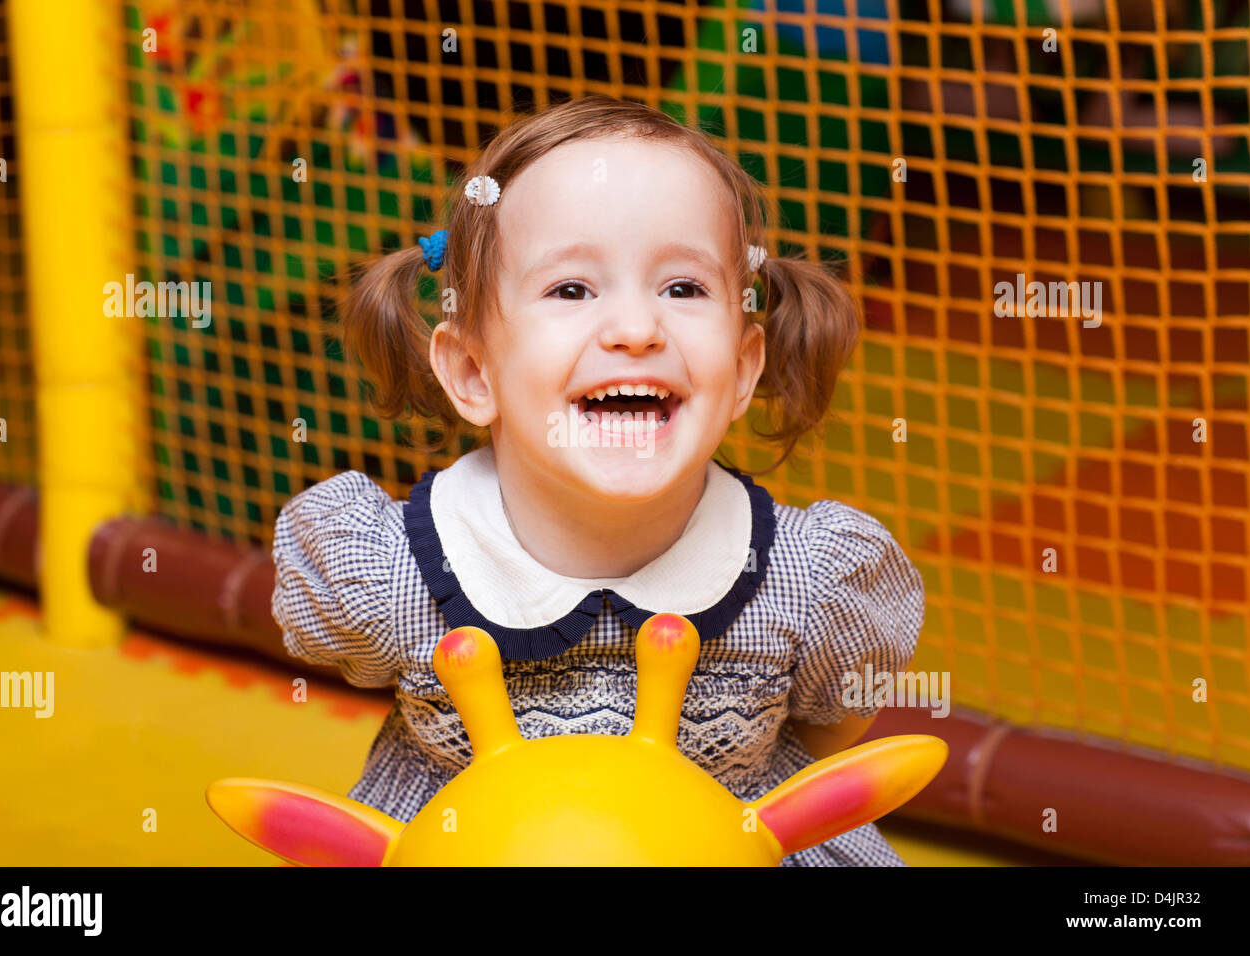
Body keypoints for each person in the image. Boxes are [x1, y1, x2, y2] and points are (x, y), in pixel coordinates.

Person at [272, 94, 926, 865]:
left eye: (683, 288)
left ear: (745, 368)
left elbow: (827, 734)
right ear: (473, 371)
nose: (636, 329)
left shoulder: (810, 578)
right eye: (572, 290)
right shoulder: (394, 569)